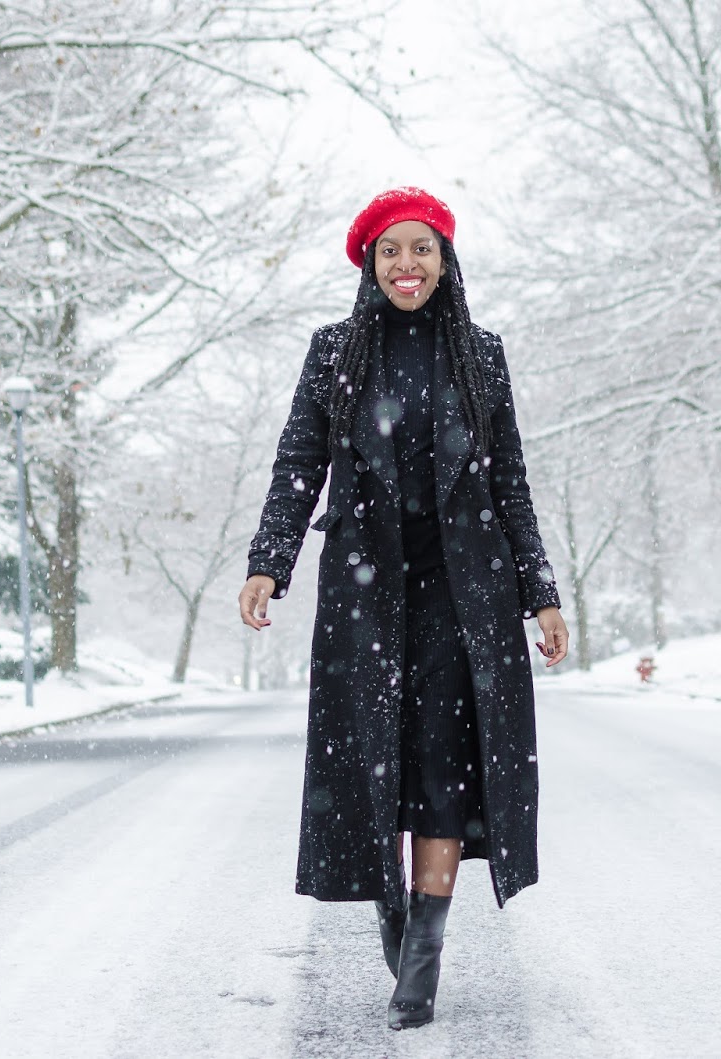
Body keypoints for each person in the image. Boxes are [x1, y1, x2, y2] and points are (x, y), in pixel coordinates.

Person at [238, 187, 569, 1031]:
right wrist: (268, 564)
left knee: (442, 770)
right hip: (365, 593)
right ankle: (392, 906)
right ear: (369, 264)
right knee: (371, 765)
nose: (407, 266)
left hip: (466, 597)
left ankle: (424, 949)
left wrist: (542, 593)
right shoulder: (335, 354)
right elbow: (297, 463)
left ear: (445, 260)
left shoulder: (482, 357)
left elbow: (511, 484)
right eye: (391, 251)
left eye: (421, 249)